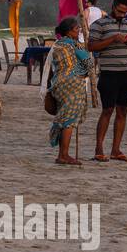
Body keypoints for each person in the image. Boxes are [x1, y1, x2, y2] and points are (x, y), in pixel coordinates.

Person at [87, 0, 127, 163]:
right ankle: (99, 148)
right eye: (119, 11)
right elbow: (92, 46)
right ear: (113, 6)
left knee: (123, 110)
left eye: (125, 12)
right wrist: (113, 39)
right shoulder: (99, 24)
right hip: (109, 72)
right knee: (107, 110)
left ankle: (116, 150)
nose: (122, 14)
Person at [48, 16, 92, 166]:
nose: (79, 30)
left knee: (65, 116)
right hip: (73, 84)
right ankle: (64, 155)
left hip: (58, 84)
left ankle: (62, 154)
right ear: (69, 31)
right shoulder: (75, 45)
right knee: (69, 120)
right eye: (76, 28)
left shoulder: (58, 45)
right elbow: (89, 63)